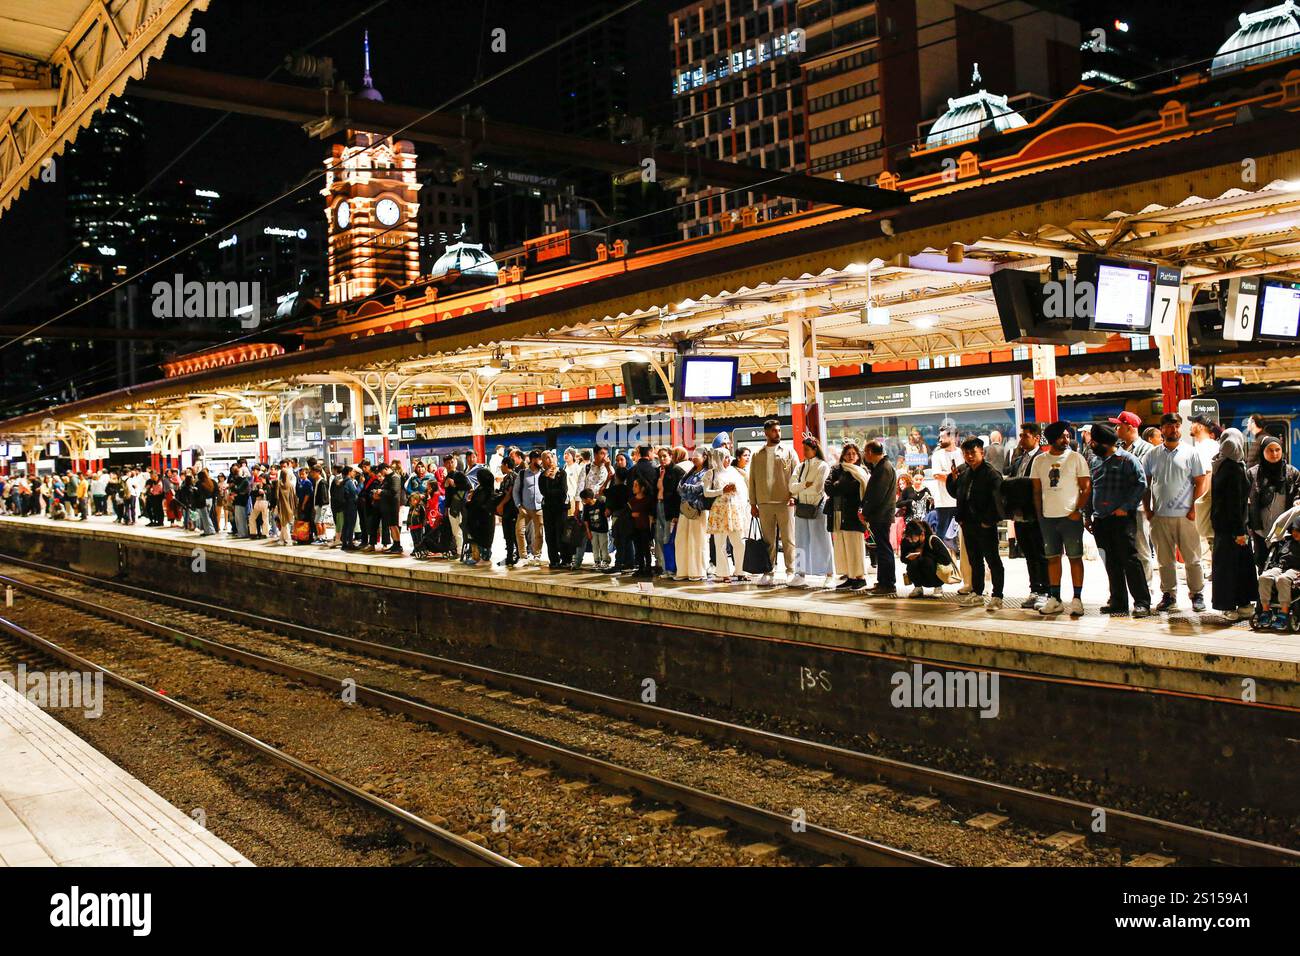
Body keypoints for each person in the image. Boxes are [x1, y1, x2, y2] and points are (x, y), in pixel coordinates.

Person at [1084, 423, 1150, 617]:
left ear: (1104, 443)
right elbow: (1092, 489)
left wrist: (1125, 507)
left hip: (1121, 520)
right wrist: (1088, 515)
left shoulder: (1127, 459)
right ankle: (1118, 601)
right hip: (1101, 520)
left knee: (1130, 561)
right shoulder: (1095, 461)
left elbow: (1141, 484)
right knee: (1110, 562)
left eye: (1095, 442)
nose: (1092, 445)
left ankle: (1142, 602)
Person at [1144, 412, 1208, 613]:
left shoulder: (1191, 453)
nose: (1174, 429)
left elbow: (1201, 481)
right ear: (1162, 429)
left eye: (1177, 426)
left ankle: (1197, 594)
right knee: (1164, 560)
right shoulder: (1152, 455)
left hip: (1186, 516)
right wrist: (1148, 510)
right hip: (1160, 516)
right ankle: (1169, 595)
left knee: (1193, 558)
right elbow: (1145, 484)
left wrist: (1193, 509)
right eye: (1170, 426)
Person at [1031, 421, 1091, 617]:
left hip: (1070, 517)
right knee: (1052, 558)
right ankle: (1055, 598)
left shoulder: (1076, 458)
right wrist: (1040, 514)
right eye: (1062, 436)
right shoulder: (1040, 461)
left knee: (1075, 558)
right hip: (1048, 517)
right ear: (1051, 439)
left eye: (1067, 436)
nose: (1066, 439)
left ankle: (1077, 599)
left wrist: (1078, 510)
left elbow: (1086, 487)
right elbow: (1036, 490)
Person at [946, 436, 1005, 609]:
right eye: (966, 453)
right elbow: (957, 494)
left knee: (993, 560)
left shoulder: (991, 473)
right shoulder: (964, 472)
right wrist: (953, 480)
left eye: (973, 453)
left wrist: (989, 521)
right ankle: (977, 593)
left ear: (982, 452)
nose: (969, 456)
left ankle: (997, 596)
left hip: (985, 524)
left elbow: (999, 500)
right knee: (974, 560)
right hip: (968, 524)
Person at [1209, 429, 1258, 621]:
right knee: (1236, 567)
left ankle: (1233, 604)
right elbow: (1235, 504)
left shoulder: (1220, 464)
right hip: (1234, 528)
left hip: (1222, 526)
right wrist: (1240, 531)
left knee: (1227, 567)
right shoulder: (1234, 469)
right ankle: (1236, 604)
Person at [1004, 423, 1049, 609]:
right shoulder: (1018, 459)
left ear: (1036, 438)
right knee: (1028, 554)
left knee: (1040, 553)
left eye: (1025, 436)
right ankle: (1034, 589)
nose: (1021, 439)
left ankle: (1045, 591)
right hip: (1020, 515)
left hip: (1036, 514)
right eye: (1020, 436)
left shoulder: (1042, 458)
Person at [748, 419, 796, 585]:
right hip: (764, 503)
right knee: (768, 540)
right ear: (766, 433)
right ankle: (769, 571)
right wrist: (753, 503)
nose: (778, 433)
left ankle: (791, 571)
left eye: (779, 430)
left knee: (789, 538)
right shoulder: (757, 454)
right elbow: (752, 479)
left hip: (785, 502)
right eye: (774, 431)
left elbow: (797, 475)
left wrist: (794, 496)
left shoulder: (789, 452)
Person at [1111, 411, 1156, 586]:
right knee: (1124, 550)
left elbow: (1144, 480)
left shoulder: (1147, 450)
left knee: (1142, 549)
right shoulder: (1120, 447)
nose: (1116, 428)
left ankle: (1148, 588)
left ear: (1129, 427)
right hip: (1120, 506)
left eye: (1118, 425)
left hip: (1139, 507)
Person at [1247, 436, 1300, 573]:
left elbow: (1298, 491)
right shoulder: (1252, 474)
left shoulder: (1291, 473)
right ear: (1262, 452)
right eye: (1270, 450)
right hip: (1260, 529)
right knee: (1262, 563)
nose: (1274, 454)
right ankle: (1264, 593)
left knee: (1284, 563)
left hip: (1284, 530)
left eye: (1278, 450)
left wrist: (1297, 499)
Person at [789, 436, 833, 589]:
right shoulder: (800, 466)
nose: (804, 452)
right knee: (800, 541)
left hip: (818, 505)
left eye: (807, 449)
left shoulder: (823, 466)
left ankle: (829, 574)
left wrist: (800, 486)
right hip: (802, 505)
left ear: (815, 449)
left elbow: (818, 488)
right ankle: (799, 573)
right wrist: (804, 485)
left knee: (823, 540)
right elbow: (791, 487)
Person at [826, 441, 868, 591]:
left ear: (858, 456)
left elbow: (849, 488)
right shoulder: (836, 469)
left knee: (855, 546)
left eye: (854, 454)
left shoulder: (862, 471)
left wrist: (839, 484)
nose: (851, 456)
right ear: (843, 455)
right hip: (837, 513)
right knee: (842, 547)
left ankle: (860, 578)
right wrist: (840, 485)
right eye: (848, 453)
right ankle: (850, 577)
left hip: (854, 514)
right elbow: (828, 489)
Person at [705, 448, 749, 583]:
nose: (728, 460)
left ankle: (741, 571)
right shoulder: (711, 473)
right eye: (725, 457)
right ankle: (724, 573)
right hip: (719, 511)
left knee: (739, 542)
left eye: (729, 457)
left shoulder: (734, 472)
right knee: (720, 544)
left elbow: (742, 490)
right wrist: (721, 491)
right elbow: (706, 492)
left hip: (734, 509)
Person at [860, 439, 898, 595]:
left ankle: (888, 584)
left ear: (870, 452)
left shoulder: (883, 468)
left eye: (865, 452)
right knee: (882, 548)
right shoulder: (882, 466)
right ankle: (883, 581)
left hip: (881, 515)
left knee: (884, 549)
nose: (863, 455)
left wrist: (865, 512)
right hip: (880, 514)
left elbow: (877, 495)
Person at [1257, 516, 1300, 629]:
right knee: (1264, 577)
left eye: (1298, 531)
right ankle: (1266, 611)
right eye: (1294, 530)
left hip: (1295, 569)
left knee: (1282, 579)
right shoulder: (1286, 541)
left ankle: (1284, 613)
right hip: (1280, 566)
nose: (1295, 533)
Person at [1189, 415, 1219, 572]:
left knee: (1206, 534)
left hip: (1206, 497)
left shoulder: (1205, 447)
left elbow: (1207, 474)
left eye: (1193, 422)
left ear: (1200, 426)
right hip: (1208, 497)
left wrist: (1200, 500)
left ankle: (1210, 567)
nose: (1191, 425)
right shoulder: (1211, 445)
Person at [675, 449, 710, 581]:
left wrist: (685, 489)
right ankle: (683, 570)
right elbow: (679, 488)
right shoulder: (690, 472)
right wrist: (687, 490)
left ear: (705, 457)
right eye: (693, 456)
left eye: (697, 456)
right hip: (685, 509)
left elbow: (699, 489)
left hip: (698, 510)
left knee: (697, 541)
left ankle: (697, 571)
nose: (694, 458)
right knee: (681, 540)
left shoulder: (707, 472)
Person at [901, 518, 956, 597]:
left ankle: (938, 587)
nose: (911, 541)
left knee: (927, 561)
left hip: (935, 573)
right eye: (909, 538)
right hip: (919, 574)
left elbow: (946, 560)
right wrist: (908, 557)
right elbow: (902, 558)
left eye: (913, 538)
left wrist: (925, 556)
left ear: (922, 534)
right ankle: (918, 587)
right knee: (913, 563)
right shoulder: (907, 541)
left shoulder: (933, 540)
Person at [930, 426, 963, 556]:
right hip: (943, 502)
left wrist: (950, 476)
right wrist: (955, 477)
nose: (940, 439)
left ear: (953, 438)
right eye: (940, 437)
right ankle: (938, 558)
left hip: (960, 500)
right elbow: (937, 475)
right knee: (941, 533)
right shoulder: (937, 455)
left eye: (943, 437)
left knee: (962, 532)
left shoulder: (961, 453)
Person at [513, 450, 544, 566]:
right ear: (531, 460)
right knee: (519, 531)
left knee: (539, 533)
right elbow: (515, 491)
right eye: (535, 458)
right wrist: (519, 506)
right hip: (525, 508)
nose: (538, 460)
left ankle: (537, 556)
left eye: (539, 458)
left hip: (539, 508)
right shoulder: (522, 474)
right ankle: (523, 556)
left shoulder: (543, 473)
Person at [539, 450, 569, 569]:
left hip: (561, 508)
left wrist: (550, 493)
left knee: (561, 533)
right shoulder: (542, 476)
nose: (550, 459)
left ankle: (566, 559)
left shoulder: (562, 473)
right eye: (547, 457)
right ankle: (554, 559)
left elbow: (563, 491)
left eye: (552, 456)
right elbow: (543, 491)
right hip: (548, 508)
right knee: (550, 535)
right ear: (543, 461)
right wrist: (546, 478)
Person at [339, 465, 360, 551]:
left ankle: (345, 543)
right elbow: (355, 492)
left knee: (346, 524)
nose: (354, 473)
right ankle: (350, 543)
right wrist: (361, 484)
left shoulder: (343, 481)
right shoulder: (349, 482)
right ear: (349, 472)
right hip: (351, 505)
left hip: (345, 505)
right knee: (351, 524)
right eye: (353, 471)